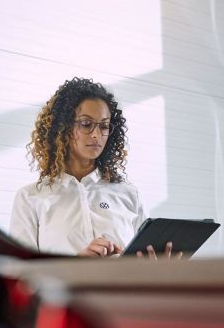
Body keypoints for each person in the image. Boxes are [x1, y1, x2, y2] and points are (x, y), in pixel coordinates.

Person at [10, 78, 176, 259]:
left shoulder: (128, 194)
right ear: (63, 127)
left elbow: (143, 267)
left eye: (104, 126)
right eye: (86, 124)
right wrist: (78, 264)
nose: (97, 135)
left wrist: (157, 268)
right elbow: (22, 272)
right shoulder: (30, 198)